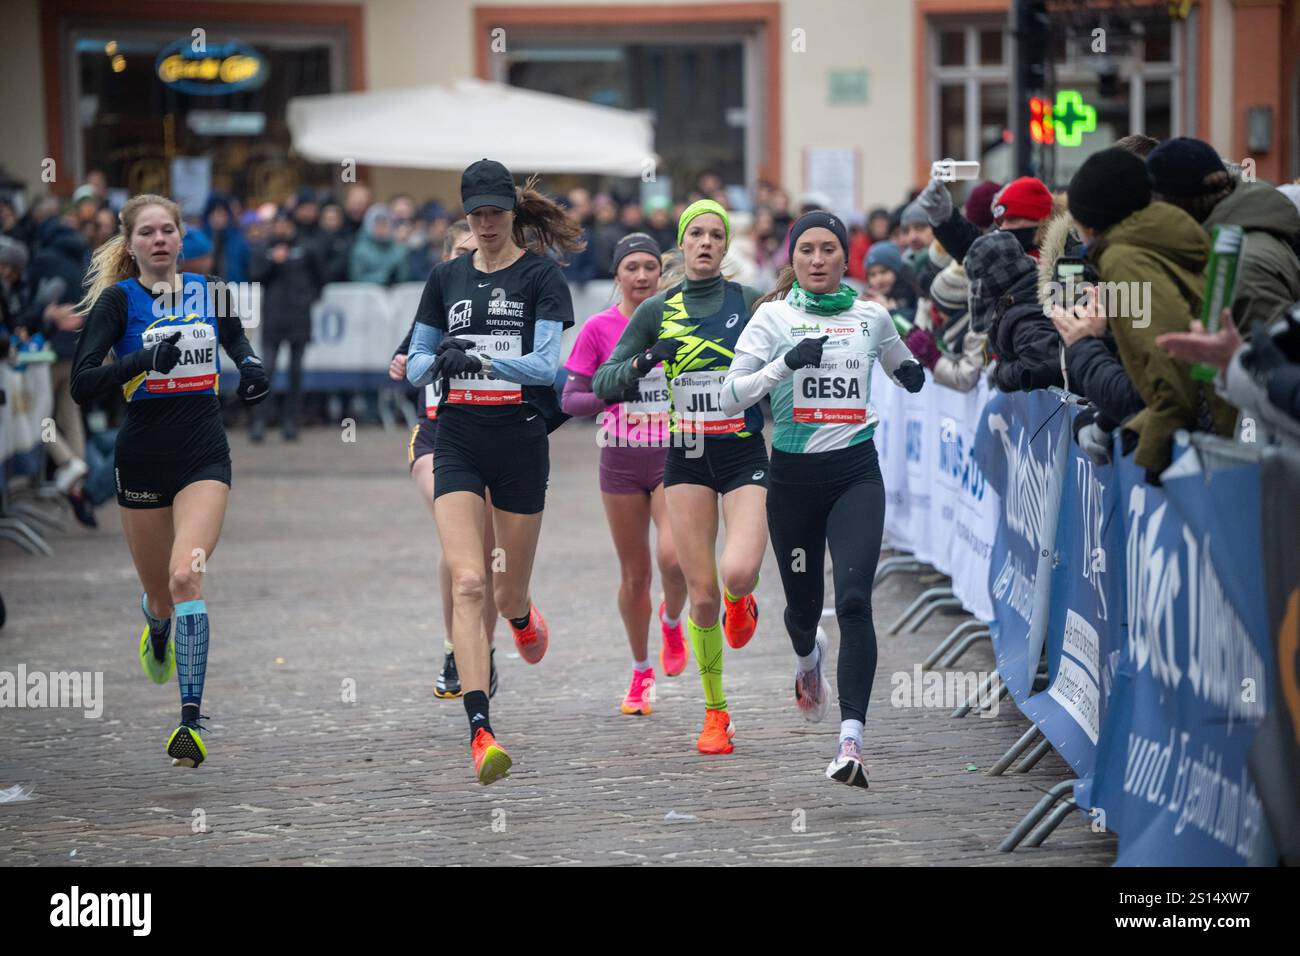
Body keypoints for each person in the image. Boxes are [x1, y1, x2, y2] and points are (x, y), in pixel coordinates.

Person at [720, 211, 924, 788]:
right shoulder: (772, 318)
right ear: (793, 258)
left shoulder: (871, 316)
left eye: (828, 249)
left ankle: (850, 740)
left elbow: (897, 358)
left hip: (856, 473)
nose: (817, 259)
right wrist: (784, 366)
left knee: (856, 599)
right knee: (803, 610)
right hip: (791, 482)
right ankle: (808, 657)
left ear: (844, 257)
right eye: (806, 249)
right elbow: (730, 396)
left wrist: (912, 373)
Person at [69, 194, 269, 767]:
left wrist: (251, 371)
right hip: (142, 460)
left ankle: (190, 722)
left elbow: (236, 342)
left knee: (187, 576)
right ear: (130, 245)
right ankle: (156, 625)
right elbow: (83, 383)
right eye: (147, 233)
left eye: (168, 230)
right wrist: (141, 361)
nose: (159, 240)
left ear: (182, 238)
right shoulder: (119, 300)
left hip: (204, 455)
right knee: (161, 593)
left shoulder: (213, 291)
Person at [405, 159, 579, 784]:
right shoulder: (444, 277)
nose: (484, 223)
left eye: (494, 213)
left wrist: (479, 356)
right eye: (474, 213)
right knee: (469, 580)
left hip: (520, 442)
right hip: (457, 440)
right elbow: (416, 361)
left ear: (511, 212)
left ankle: (524, 613)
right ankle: (481, 729)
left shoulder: (540, 277)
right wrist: (438, 360)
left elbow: (544, 368)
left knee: (505, 591)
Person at [592, 199, 767, 756]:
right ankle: (716, 713)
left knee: (738, 572)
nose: (707, 243)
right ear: (683, 244)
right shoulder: (656, 311)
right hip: (687, 457)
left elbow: (787, 360)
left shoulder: (750, 302)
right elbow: (604, 382)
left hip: (742, 454)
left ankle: (745, 597)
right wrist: (645, 362)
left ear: (726, 244)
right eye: (698, 234)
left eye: (717, 235)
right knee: (700, 598)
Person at [562, 232, 688, 716]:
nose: (640, 276)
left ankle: (673, 621)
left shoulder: (679, 323)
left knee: (674, 559)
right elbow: (570, 401)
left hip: (673, 455)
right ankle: (640, 672)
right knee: (635, 575)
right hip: (619, 458)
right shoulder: (598, 329)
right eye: (631, 267)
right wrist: (614, 390)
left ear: (660, 274)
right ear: (617, 275)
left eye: (649, 268)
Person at [1066, 146, 1238, 476]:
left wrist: (1150, 455)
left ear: (1092, 222)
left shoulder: (1122, 259)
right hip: (1217, 427)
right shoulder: (1161, 236)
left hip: (1204, 451)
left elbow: (1169, 364)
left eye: (1079, 223)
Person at [391, 220, 500, 699]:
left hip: (494, 436)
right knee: (460, 534)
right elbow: (406, 361)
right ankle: (457, 646)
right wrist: (405, 363)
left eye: (479, 250)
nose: (471, 258)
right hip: (435, 437)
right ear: (446, 259)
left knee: (492, 554)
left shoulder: (502, 307)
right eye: (461, 251)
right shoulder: (436, 307)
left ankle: (486, 645)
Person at [1147, 137, 1300, 332]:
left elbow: (1267, 357)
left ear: (1180, 206)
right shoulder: (1232, 239)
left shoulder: (1243, 264)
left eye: (1155, 206)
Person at [249, 211, 322, 442]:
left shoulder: (306, 248)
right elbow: (254, 275)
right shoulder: (264, 249)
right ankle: (260, 421)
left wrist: (307, 298)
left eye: (285, 224)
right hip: (273, 318)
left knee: (295, 373)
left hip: (298, 318)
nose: (282, 228)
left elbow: (321, 277)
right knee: (267, 370)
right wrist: (273, 262)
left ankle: (291, 422)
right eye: (278, 224)